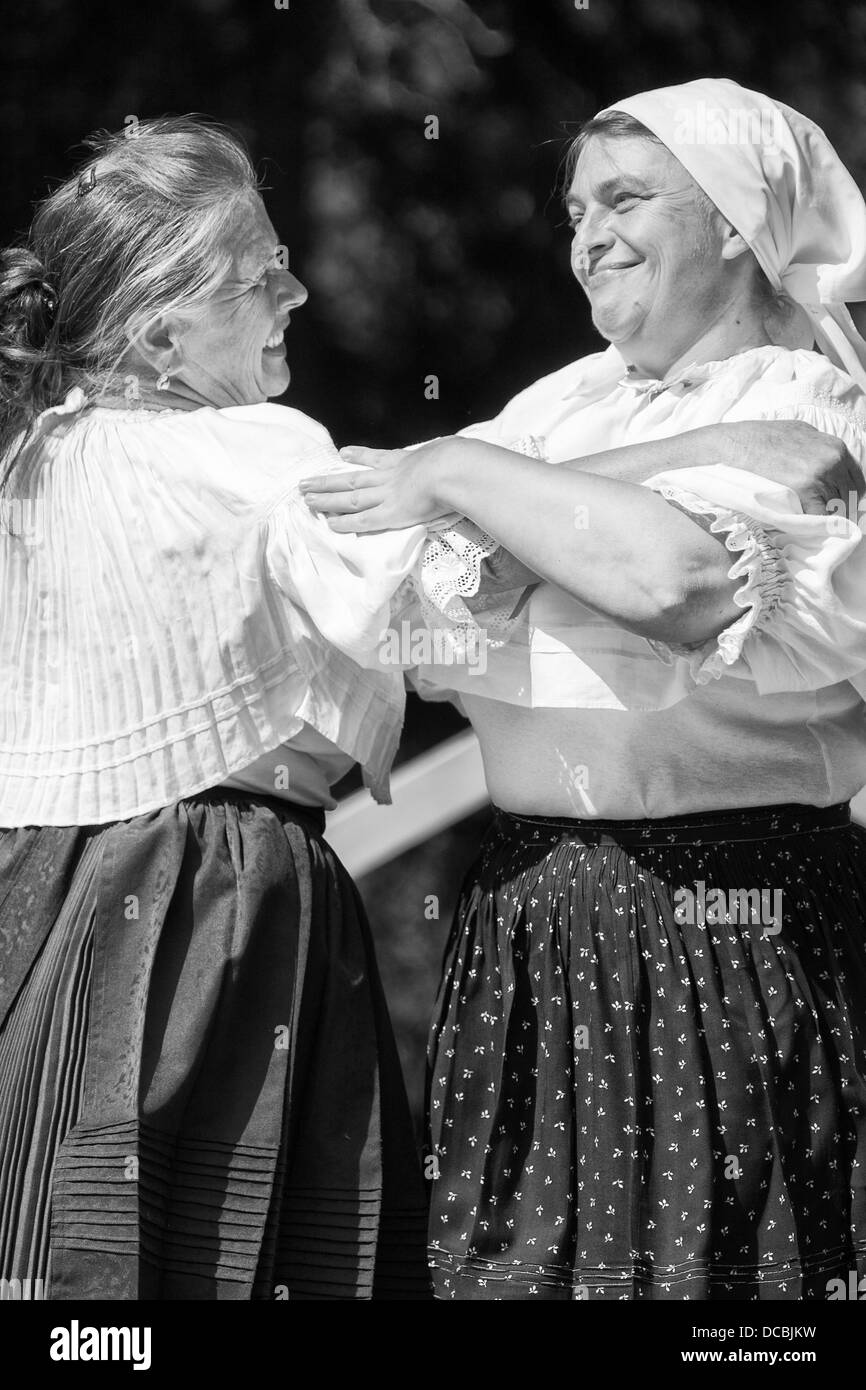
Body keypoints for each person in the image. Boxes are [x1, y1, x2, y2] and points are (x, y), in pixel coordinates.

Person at [302, 78, 866, 1300]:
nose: (586, 237)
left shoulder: (806, 407)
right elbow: (412, 606)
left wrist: (466, 478)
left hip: (730, 921)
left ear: (727, 216)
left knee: (723, 1287)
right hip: (532, 915)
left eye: (624, 199)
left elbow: (669, 581)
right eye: (572, 212)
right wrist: (645, 460)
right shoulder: (554, 407)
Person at [0, 116, 482, 1300]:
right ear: (165, 328)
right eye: (260, 270)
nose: (298, 290)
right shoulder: (255, 447)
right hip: (212, 889)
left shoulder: (28, 456)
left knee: (66, 1266)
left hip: (30, 890)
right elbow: (433, 631)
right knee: (235, 1259)